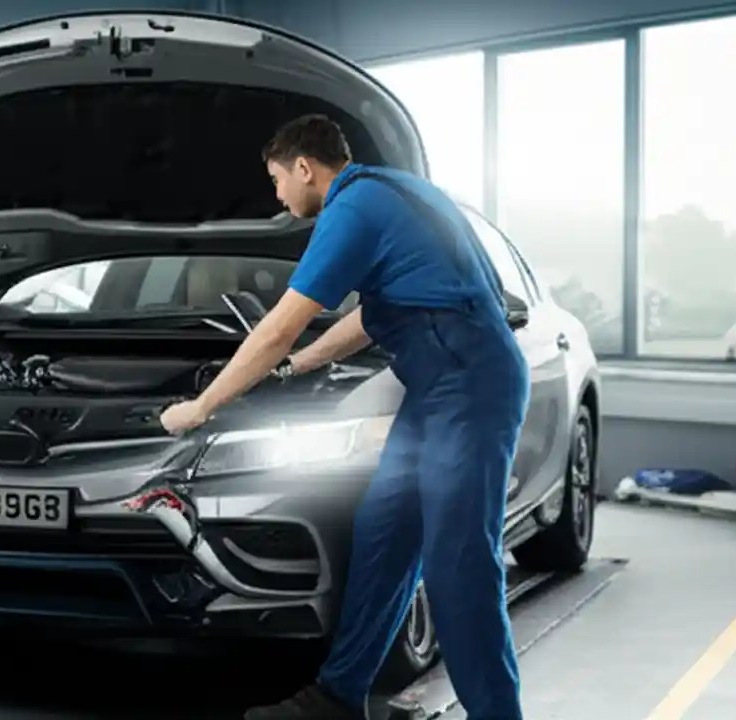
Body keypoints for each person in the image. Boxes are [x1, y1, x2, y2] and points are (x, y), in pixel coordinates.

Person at [158, 114, 530, 720]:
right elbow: (372, 313)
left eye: (277, 180)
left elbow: (279, 325)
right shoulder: (392, 193)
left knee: (457, 565)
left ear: (305, 168)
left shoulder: (352, 210)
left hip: (469, 389)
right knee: (384, 534)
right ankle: (339, 697)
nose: (277, 197)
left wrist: (199, 408)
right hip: (439, 389)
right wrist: (300, 366)